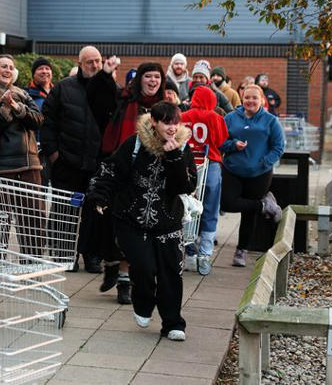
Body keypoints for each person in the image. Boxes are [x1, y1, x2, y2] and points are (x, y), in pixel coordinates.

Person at [87, 102, 197, 341]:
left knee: (170, 273)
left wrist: (174, 156)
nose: (171, 127)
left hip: (168, 221)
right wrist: (100, 196)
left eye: (175, 122)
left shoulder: (182, 147)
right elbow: (111, 170)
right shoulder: (134, 144)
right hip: (131, 218)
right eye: (166, 122)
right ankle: (143, 303)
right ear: (154, 122)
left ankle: (173, 323)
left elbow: (186, 186)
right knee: (144, 267)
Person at [95, 62, 165, 304]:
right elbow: (99, 94)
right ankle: (112, 265)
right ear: (139, 80)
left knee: (135, 230)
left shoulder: (165, 107)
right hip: (121, 170)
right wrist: (105, 72)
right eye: (148, 76)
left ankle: (124, 282)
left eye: (157, 76)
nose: (153, 81)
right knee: (111, 227)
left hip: (150, 176)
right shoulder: (124, 100)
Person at [41, 45, 115, 273]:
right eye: (89, 61)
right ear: (80, 63)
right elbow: (48, 123)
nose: (94, 65)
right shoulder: (63, 88)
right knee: (65, 211)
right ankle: (65, 255)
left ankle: (92, 256)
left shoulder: (109, 89)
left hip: (96, 164)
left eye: (98, 61)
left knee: (94, 213)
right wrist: (54, 154)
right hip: (67, 163)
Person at [0, 54, 44, 255]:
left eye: (11, 67)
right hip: (0, 169)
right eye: (3, 66)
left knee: (34, 222)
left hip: (29, 166)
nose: (8, 70)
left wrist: (17, 107)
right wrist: (5, 108)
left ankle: (32, 267)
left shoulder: (22, 94)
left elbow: (38, 120)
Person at [220, 84, 285, 267]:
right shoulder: (231, 118)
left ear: (262, 100)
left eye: (254, 98)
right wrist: (233, 145)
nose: (250, 101)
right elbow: (220, 141)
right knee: (227, 203)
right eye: (247, 97)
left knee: (248, 213)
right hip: (233, 170)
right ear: (242, 98)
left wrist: (264, 161)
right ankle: (265, 204)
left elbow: (278, 146)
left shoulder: (270, 120)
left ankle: (241, 250)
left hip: (259, 173)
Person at [180, 87, 228, 275]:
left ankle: (190, 251)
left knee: (187, 208)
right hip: (211, 165)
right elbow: (221, 140)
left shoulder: (183, 116)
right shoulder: (216, 117)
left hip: (188, 165)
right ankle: (205, 253)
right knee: (210, 208)